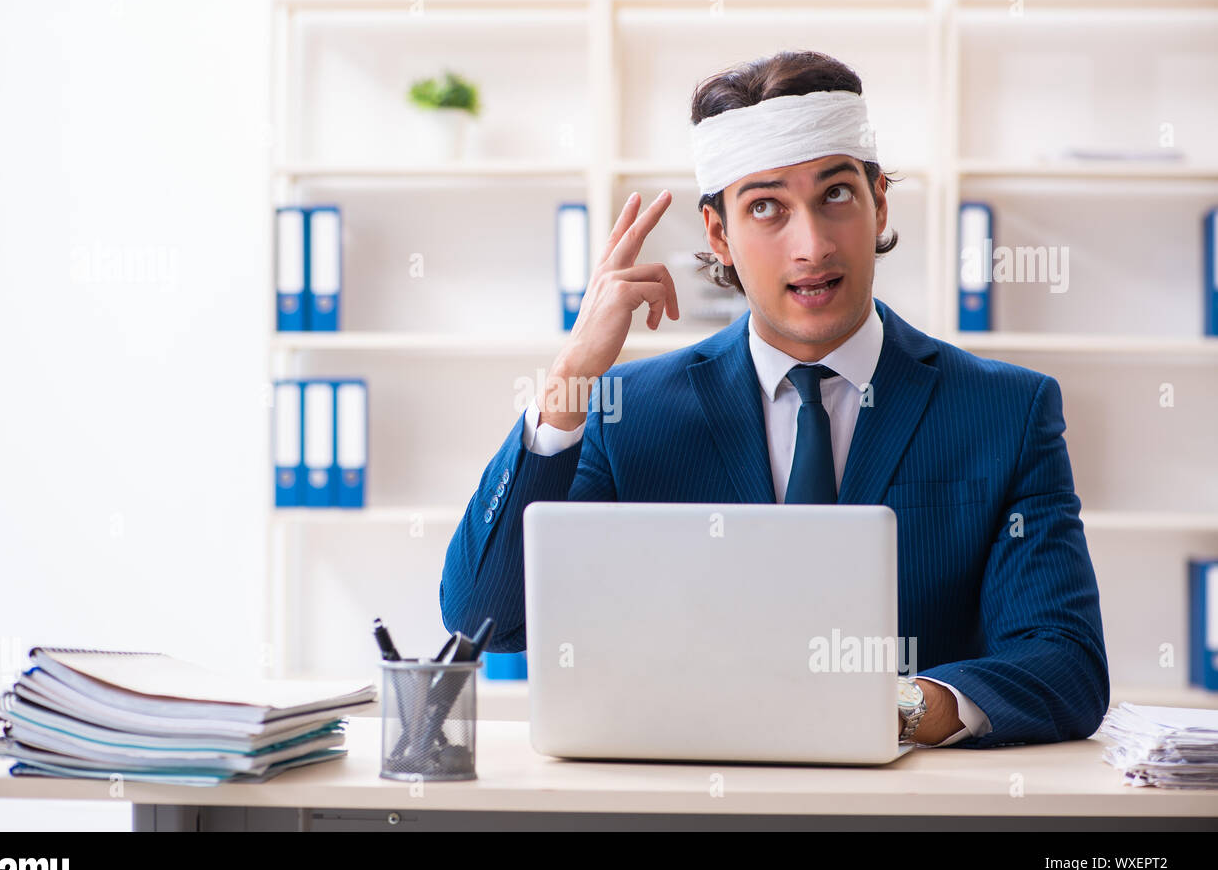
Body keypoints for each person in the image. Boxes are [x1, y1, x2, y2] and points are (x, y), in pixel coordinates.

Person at [439, 50, 1109, 748]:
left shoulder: (1007, 411)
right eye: (766, 208)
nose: (811, 245)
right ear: (719, 235)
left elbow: (1066, 664)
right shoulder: (625, 415)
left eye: (836, 196)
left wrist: (895, 703)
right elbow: (486, 619)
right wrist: (567, 380)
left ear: (879, 202)